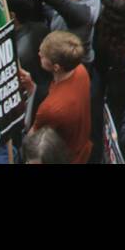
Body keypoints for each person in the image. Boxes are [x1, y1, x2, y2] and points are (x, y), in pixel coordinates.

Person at [25, 31, 92, 163]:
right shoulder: (80, 70)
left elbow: (32, 141)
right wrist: (33, 88)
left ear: (56, 67)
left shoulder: (51, 109)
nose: (39, 54)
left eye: (43, 56)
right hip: (81, 147)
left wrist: (30, 95)